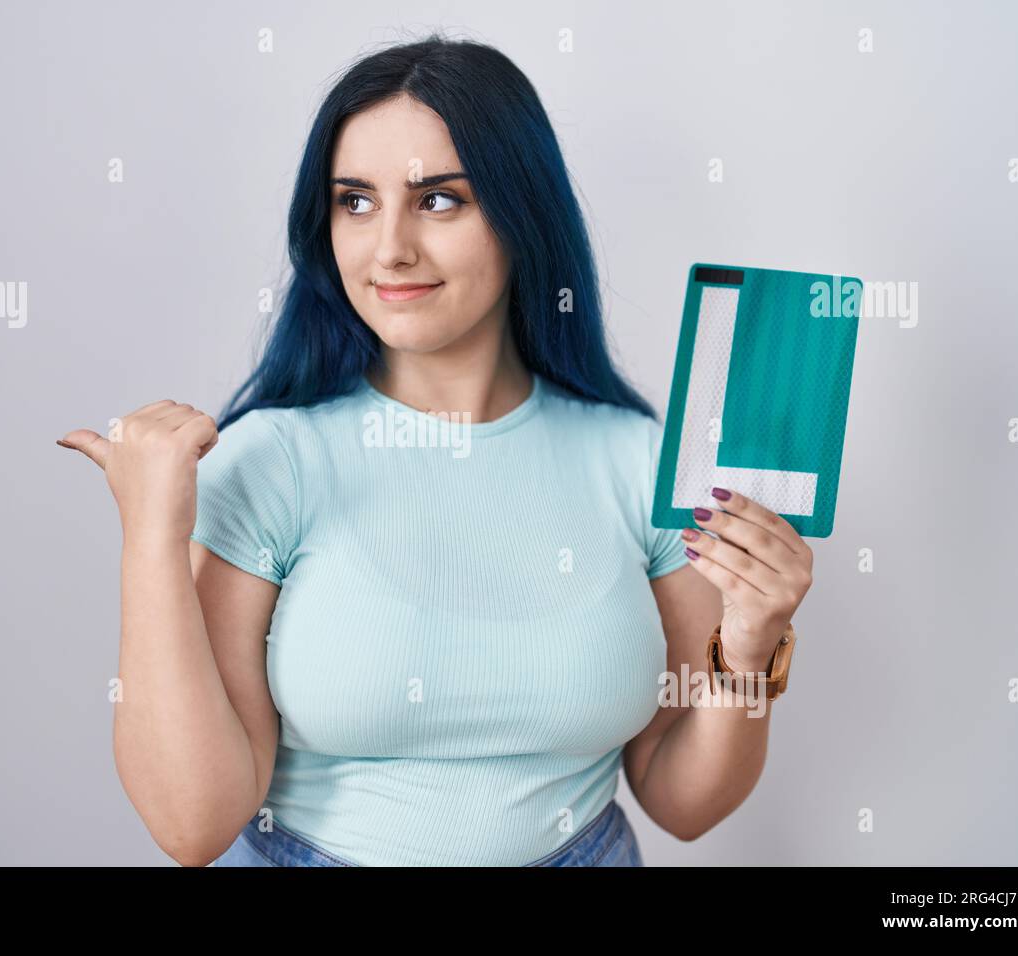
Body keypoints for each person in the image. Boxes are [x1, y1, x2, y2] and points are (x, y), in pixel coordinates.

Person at [57, 35, 814, 867]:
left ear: (523, 214)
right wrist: (151, 541)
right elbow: (191, 826)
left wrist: (747, 651)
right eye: (355, 201)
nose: (389, 250)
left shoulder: (638, 464)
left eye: (439, 200)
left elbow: (682, 802)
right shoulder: (271, 462)